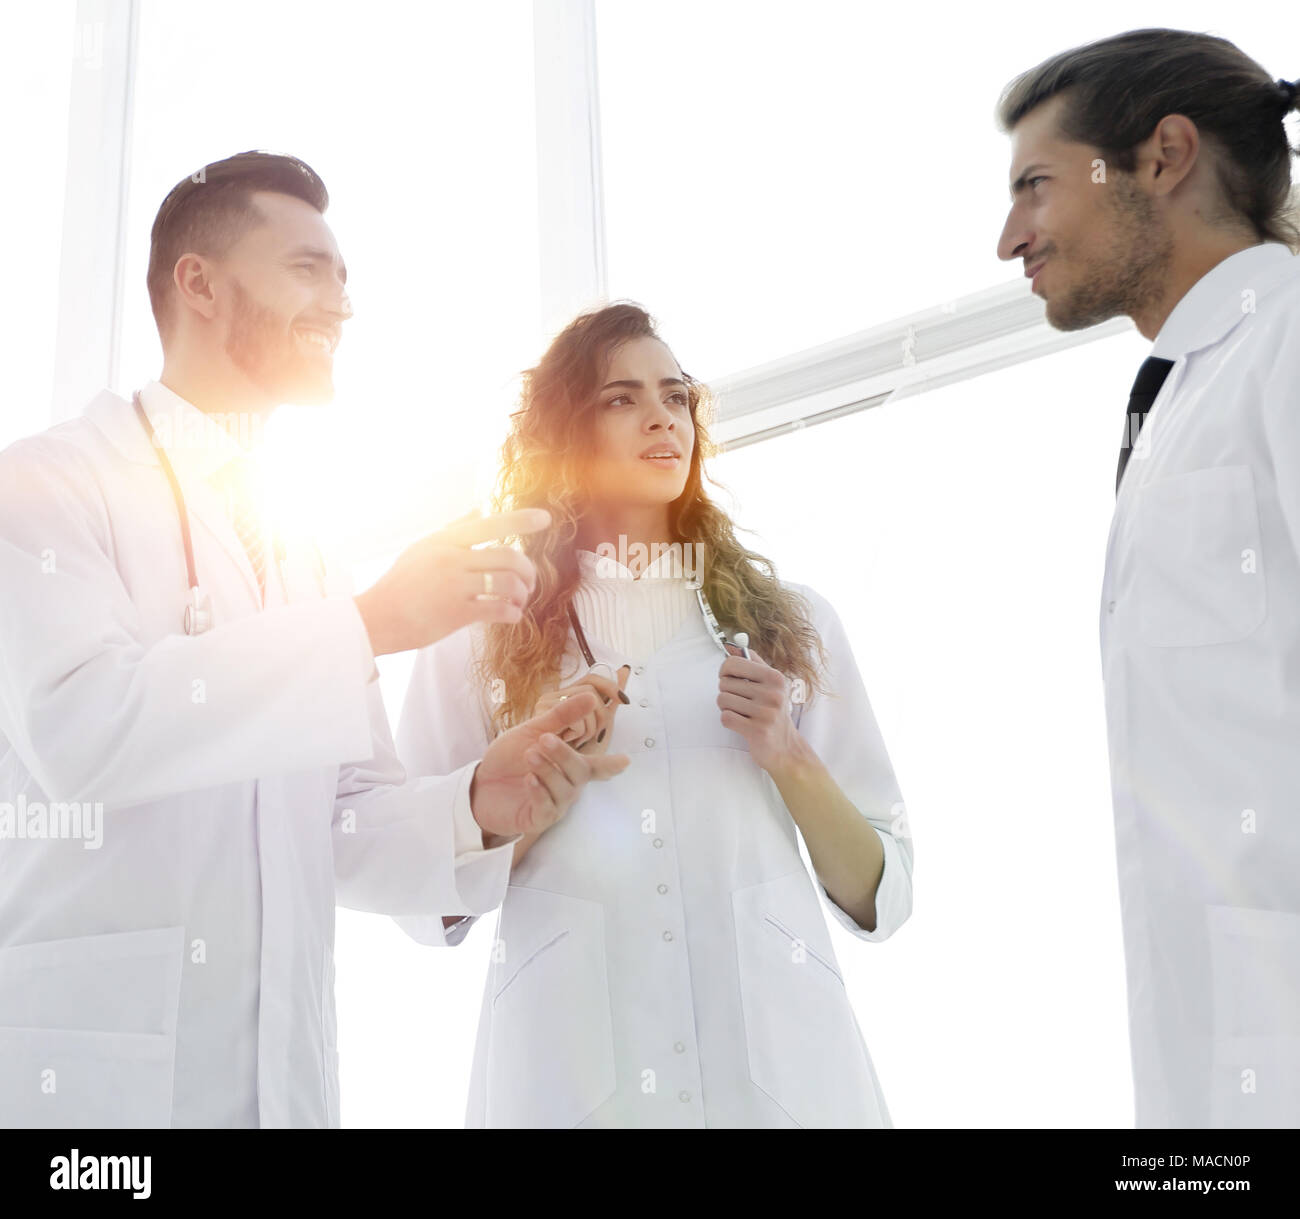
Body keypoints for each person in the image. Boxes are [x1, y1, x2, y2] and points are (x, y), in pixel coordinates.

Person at [0, 150, 627, 1128]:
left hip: (278, 1088)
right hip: (93, 1095)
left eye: (342, 276)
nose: (340, 303)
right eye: (307, 268)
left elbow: (342, 822)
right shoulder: (47, 482)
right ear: (198, 283)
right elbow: (81, 728)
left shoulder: (299, 552)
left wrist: (476, 800)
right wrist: (375, 623)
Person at [395, 302, 913, 1127]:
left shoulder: (793, 626)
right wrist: (525, 806)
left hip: (783, 1083)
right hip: (571, 1080)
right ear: (567, 435)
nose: (662, 418)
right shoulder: (478, 635)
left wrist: (788, 753)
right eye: (621, 398)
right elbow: (418, 899)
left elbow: (882, 893)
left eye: (675, 397)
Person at [996, 29, 1300, 1127]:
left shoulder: (1289, 341)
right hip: (1215, 1031)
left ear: (1163, 156)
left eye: (1035, 186)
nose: (1007, 239)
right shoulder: (1171, 399)